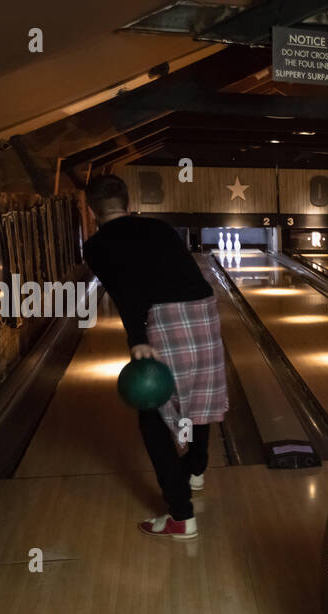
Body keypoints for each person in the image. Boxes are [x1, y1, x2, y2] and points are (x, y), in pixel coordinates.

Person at [82, 174, 228, 540]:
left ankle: (181, 515)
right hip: (204, 309)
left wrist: (137, 339)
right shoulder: (160, 228)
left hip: (163, 316)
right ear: (128, 200)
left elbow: (125, 290)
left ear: (90, 208)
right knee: (197, 396)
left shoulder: (97, 246)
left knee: (152, 411)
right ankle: (195, 469)